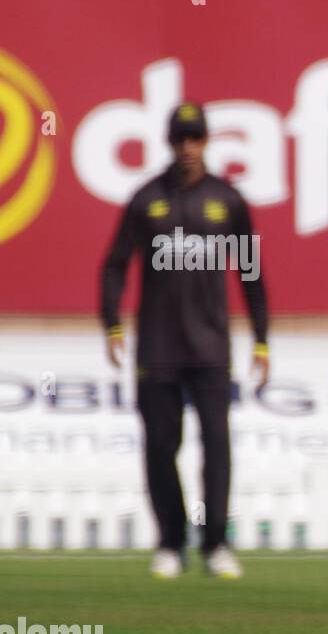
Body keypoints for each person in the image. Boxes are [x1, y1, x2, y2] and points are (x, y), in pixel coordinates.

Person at [99, 102, 270, 580]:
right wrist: (112, 324)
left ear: (207, 141)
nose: (187, 147)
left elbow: (251, 274)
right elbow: (114, 265)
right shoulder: (145, 198)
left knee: (216, 444)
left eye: (195, 138)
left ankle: (216, 544)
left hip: (211, 348)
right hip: (157, 347)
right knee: (159, 444)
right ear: (168, 143)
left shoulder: (227, 200)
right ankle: (171, 542)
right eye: (180, 138)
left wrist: (261, 341)